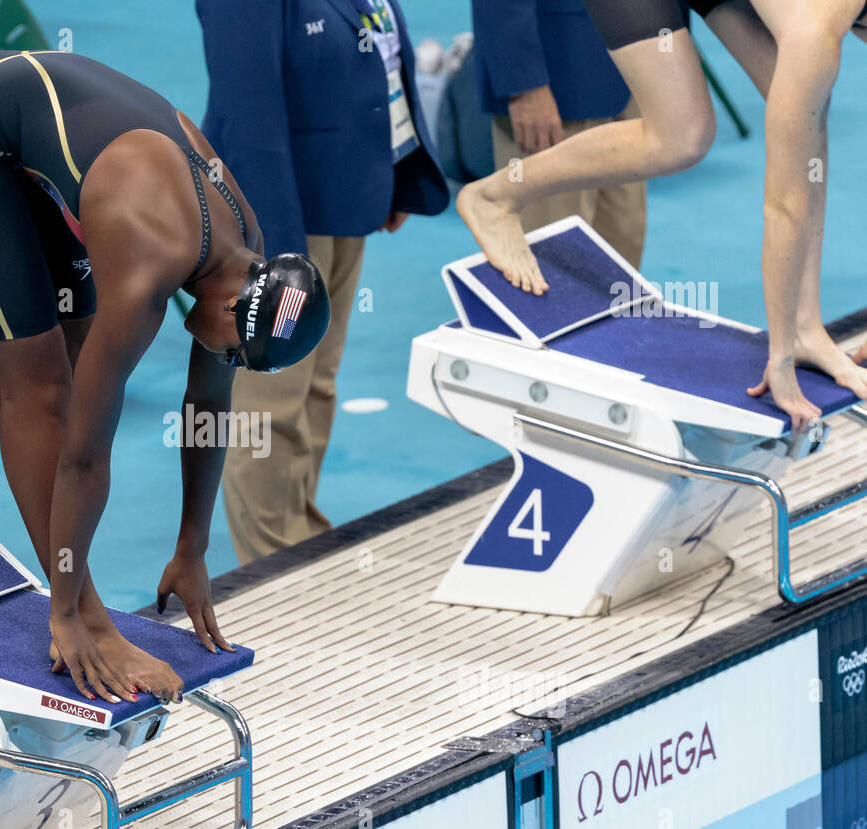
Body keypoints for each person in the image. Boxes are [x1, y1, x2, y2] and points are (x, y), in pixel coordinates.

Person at [0, 50, 330, 704]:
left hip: (39, 131)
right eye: (239, 354)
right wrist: (72, 614)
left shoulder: (245, 252)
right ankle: (89, 618)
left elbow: (207, 409)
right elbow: (81, 457)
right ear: (230, 308)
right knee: (44, 390)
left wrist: (193, 549)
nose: (229, 362)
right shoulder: (150, 267)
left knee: (62, 368)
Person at [457, 0, 867, 432]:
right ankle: (494, 196)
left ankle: (806, 328)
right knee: (682, 136)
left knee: (807, 119)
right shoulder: (813, 31)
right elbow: (785, 203)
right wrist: (780, 359)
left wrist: (801, 333)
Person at [195, 0, 449, 565]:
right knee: (271, 402)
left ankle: (297, 530)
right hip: (281, 219)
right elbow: (248, 111)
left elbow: (379, 49)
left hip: (340, 199)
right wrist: (276, 253)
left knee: (315, 387)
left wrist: (395, 173)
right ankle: (271, 562)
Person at [472, 0, 645, 268]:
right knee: (552, 260)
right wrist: (525, 85)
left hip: (637, 61)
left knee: (621, 247)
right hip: (558, 73)